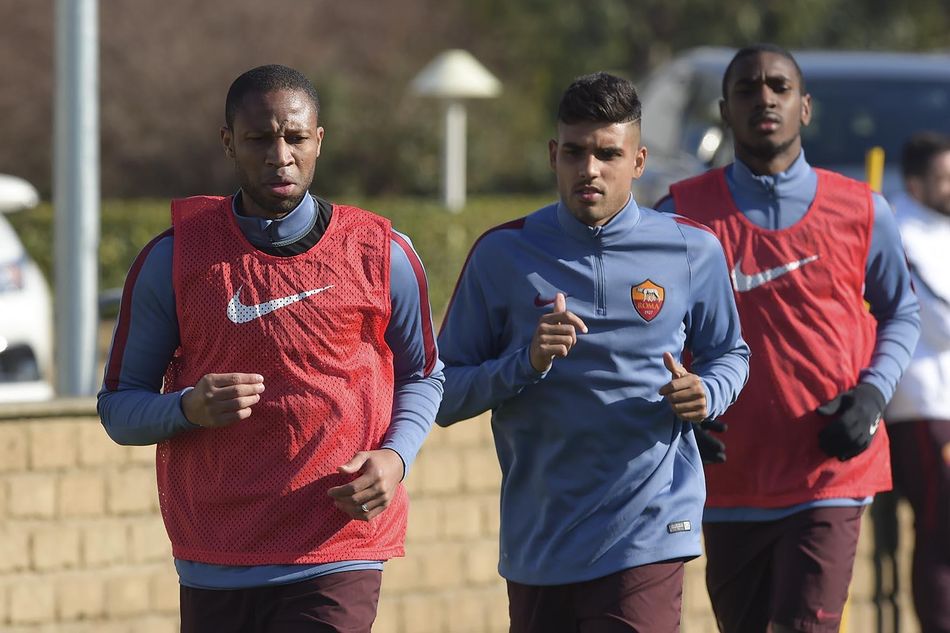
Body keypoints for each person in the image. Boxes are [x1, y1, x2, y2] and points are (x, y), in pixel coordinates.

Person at [97, 64, 444, 633]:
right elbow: (118, 408)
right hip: (216, 555)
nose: (279, 154)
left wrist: (396, 456)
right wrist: (186, 409)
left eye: (295, 137)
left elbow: (425, 375)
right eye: (259, 138)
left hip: (337, 545)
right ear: (229, 142)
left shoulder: (383, 253)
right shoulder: (173, 259)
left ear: (319, 141)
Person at [436, 71, 750, 633]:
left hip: (649, 529)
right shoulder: (502, 253)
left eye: (608, 153)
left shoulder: (689, 248)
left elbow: (731, 352)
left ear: (639, 160)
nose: (590, 170)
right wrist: (524, 364)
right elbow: (443, 393)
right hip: (541, 538)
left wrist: (707, 392)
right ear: (554, 154)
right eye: (576, 152)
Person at [656, 44, 921, 633]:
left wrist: (873, 398)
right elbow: (649, 336)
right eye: (747, 89)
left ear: (805, 107)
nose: (764, 98)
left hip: (829, 472)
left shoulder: (862, 210)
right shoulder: (680, 214)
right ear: (726, 110)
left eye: (779, 86)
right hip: (728, 479)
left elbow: (903, 311)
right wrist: (679, 416)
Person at [886, 131, 950, 633]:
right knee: (939, 532)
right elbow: (938, 320)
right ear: (913, 182)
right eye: (943, 179)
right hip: (925, 406)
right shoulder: (900, 231)